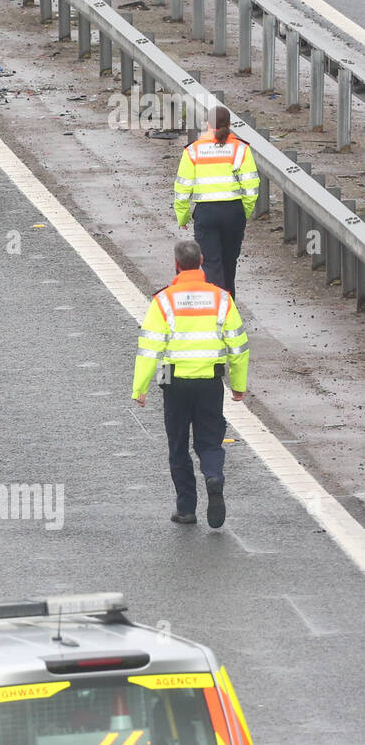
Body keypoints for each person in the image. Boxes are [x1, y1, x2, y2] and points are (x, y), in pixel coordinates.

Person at [133, 239, 249, 528]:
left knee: (178, 445)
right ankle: (213, 476)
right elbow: (238, 347)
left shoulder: (164, 300)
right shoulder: (222, 299)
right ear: (201, 262)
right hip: (210, 379)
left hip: (174, 381)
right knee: (209, 442)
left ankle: (186, 509)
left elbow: (149, 348)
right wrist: (238, 384)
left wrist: (141, 388)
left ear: (176, 264)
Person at [173, 105, 260, 296]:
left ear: (207, 125)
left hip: (206, 214)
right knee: (230, 264)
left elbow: (182, 187)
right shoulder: (240, 149)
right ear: (229, 124)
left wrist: (183, 216)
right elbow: (251, 187)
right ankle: (230, 312)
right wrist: (243, 213)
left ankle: (217, 311)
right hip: (233, 212)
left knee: (212, 265)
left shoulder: (194, 150)